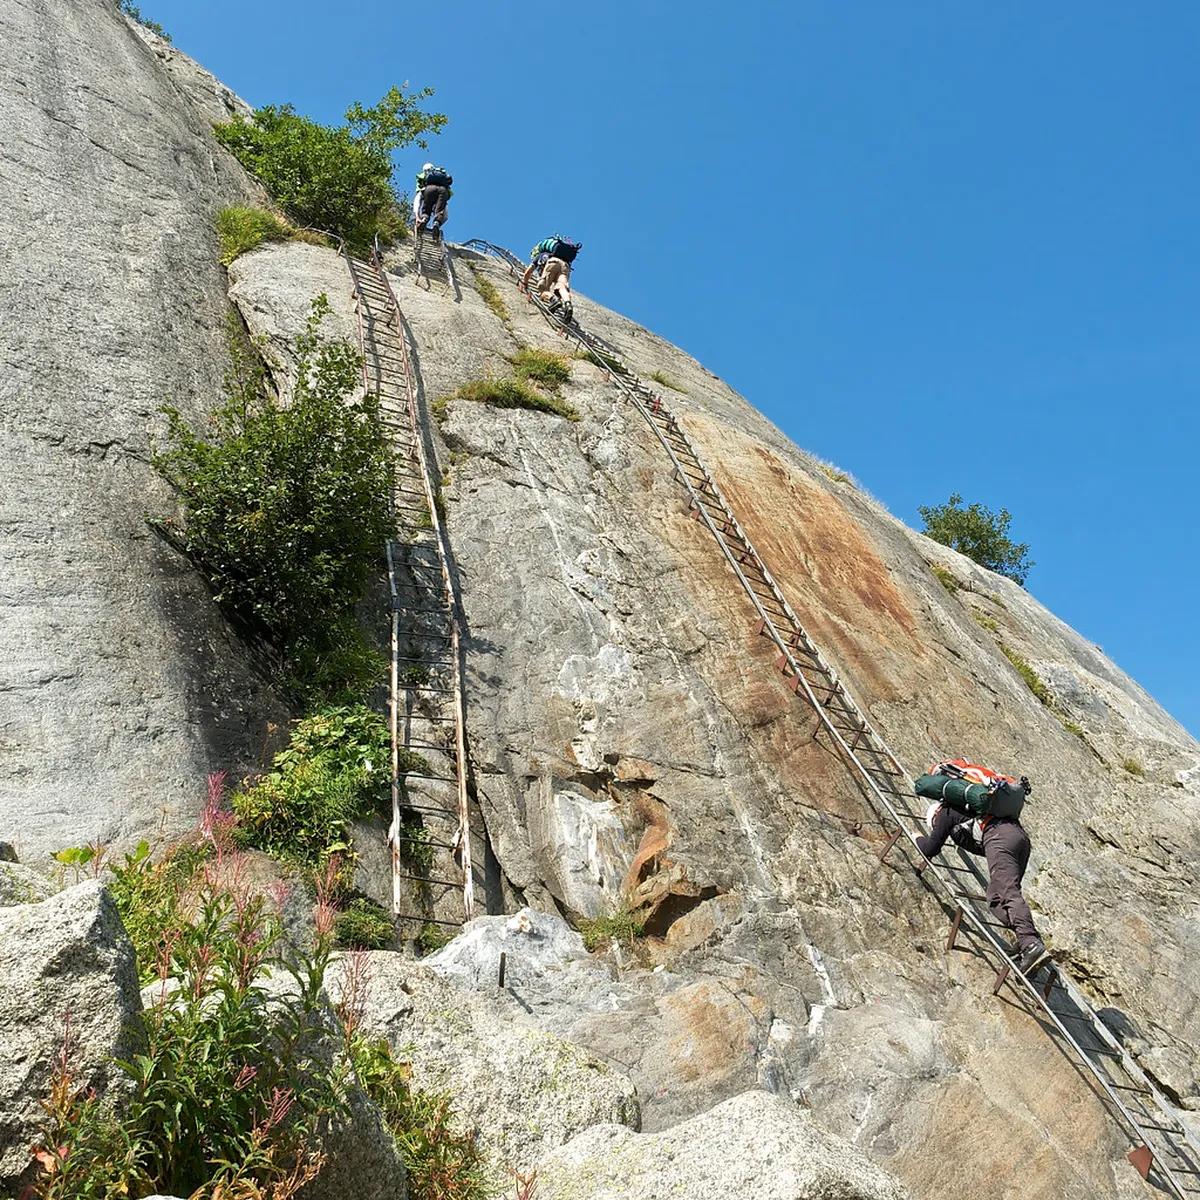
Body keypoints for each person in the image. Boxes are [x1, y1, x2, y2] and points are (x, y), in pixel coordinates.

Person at [915, 763, 1049, 976]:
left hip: (999, 836)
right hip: (1019, 838)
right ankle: (1028, 941)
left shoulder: (946, 811)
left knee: (1007, 893)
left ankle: (1031, 944)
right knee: (996, 897)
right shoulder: (972, 810)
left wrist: (918, 839)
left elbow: (931, 847)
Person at [519, 235, 582, 321]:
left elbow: (528, 272)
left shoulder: (542, 255)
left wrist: (524, 283)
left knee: (542, 288)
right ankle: (568, 304)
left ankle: (554, 300)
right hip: (566, 266)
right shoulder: (557, 254)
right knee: (561, 286)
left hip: (553, 263)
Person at [414, 163, 453, 239]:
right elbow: (446, 214)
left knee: (427, 209)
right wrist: (440, 221)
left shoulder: (423, 179)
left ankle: (424, 219)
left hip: (429, 189)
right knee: (439, 211)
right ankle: (436, 223)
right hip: (443, 191)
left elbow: (417, 201)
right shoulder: (442, 175)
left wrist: (417, 216)